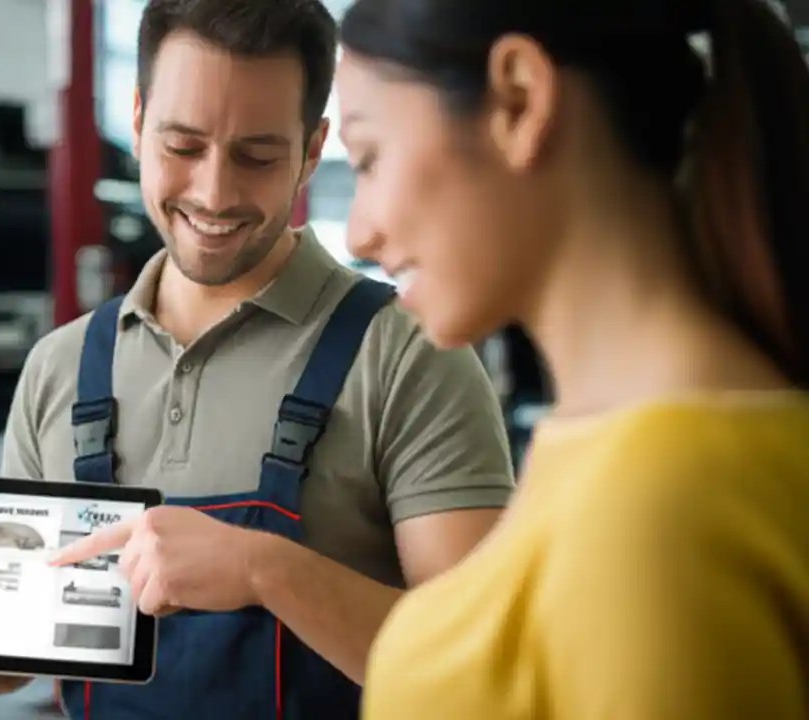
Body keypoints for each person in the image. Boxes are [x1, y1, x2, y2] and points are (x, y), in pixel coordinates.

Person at [0, 0, 518, 717]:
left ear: (312, 150)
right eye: (183, 146)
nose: (214, 193)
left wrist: (266, 570)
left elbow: (478, 672)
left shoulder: (407, 355)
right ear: (138, 119)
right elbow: (14, 659)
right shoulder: (61, 369)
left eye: (257, 156)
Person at [323, 0, 805, 717]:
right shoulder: (634, 457)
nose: (360, 233)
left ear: (518, 102)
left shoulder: (656, 512)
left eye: (370, 158)